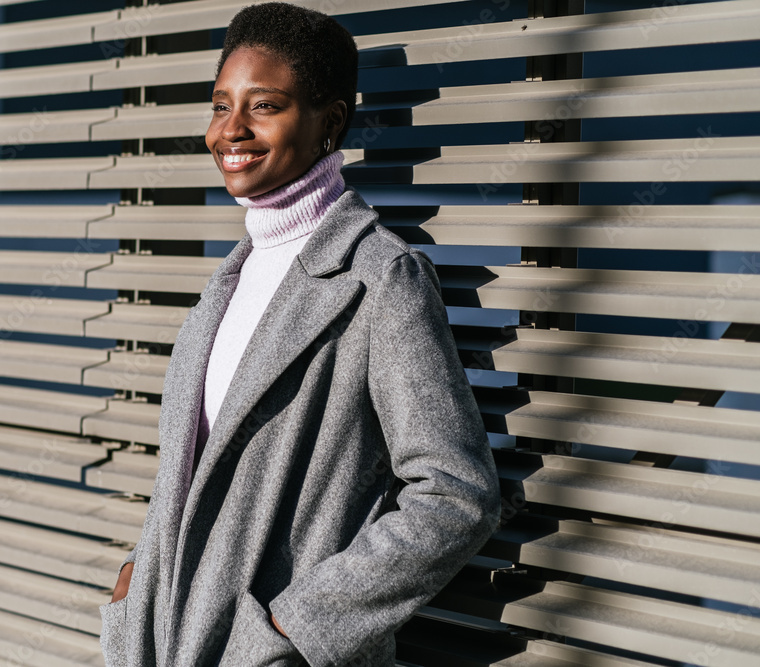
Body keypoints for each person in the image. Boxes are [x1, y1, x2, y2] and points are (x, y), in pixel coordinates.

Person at [98, 3, 500, 666]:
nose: (231, 130)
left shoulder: (379, 278)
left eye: (264, 106)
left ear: (329, 123)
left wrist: (296, 627)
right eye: (220, 104)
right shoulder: (227, 285)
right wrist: (136, 576)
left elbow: (456, 492)